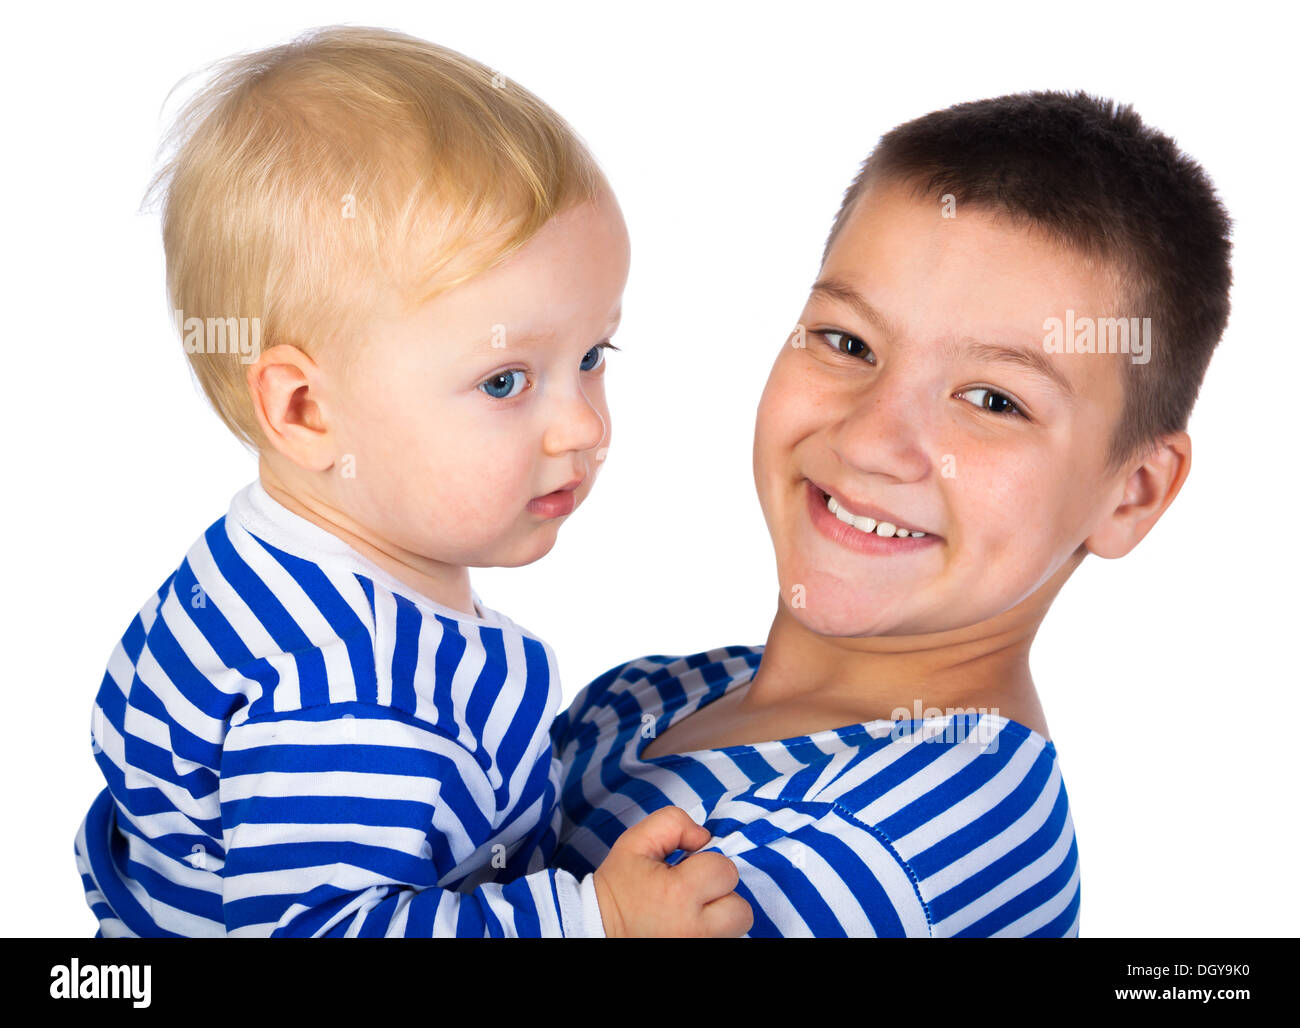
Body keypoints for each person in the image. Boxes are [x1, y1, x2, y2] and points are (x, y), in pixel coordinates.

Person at [73, 25, 750, 939]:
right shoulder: (347, 683)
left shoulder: (261, 567)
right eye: (505, 381)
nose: (585, 424)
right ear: (307, 410)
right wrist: (594, 922)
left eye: (593, 354)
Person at [551, 91, 1232, 937]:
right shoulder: (651, 694)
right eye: (848, 343)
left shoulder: (900, 847)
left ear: (1133, 492)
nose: (874, 441)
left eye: (992, 400)